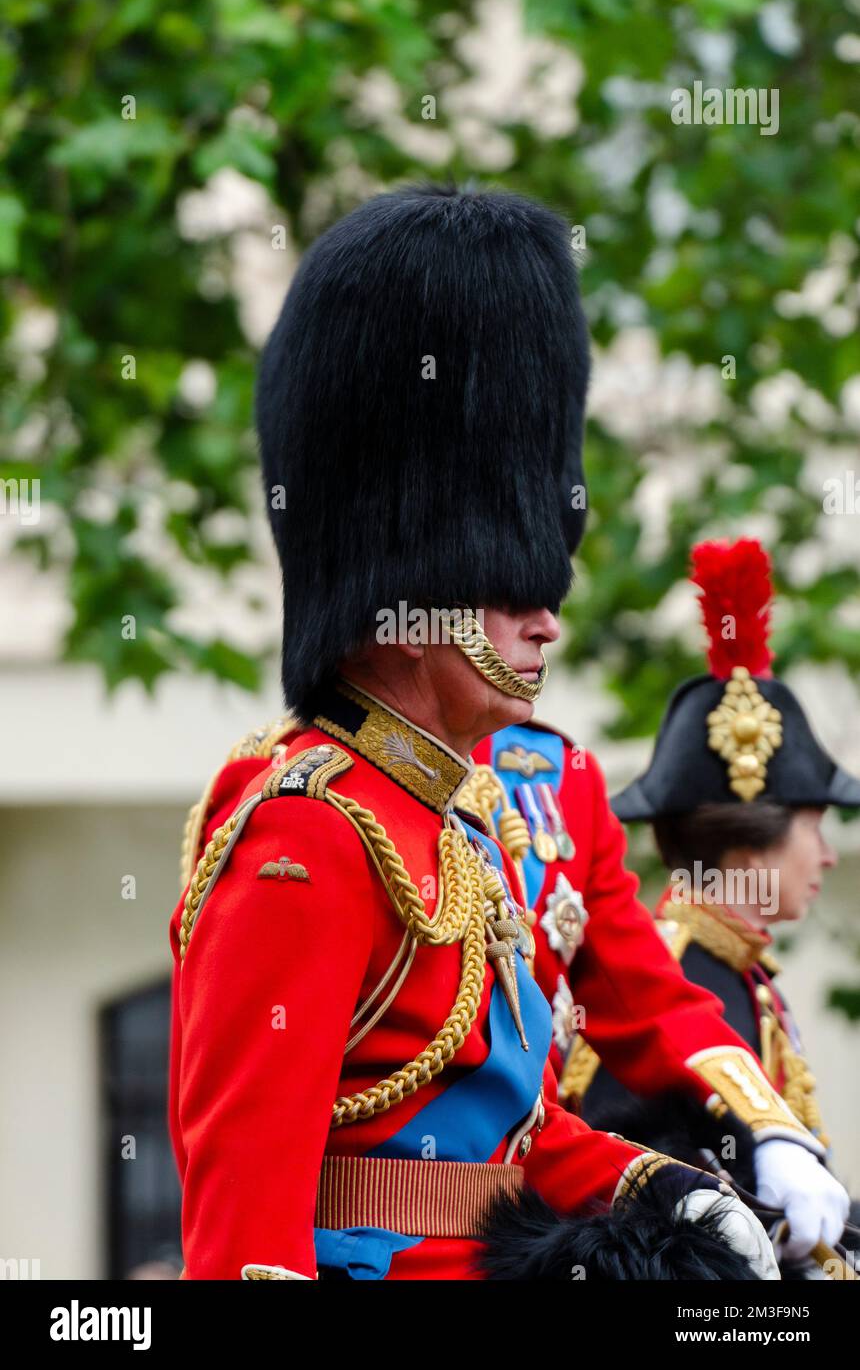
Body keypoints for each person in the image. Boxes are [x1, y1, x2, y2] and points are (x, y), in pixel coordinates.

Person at [167, 184, 776, 1281]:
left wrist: (677, 1189)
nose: (545, 616)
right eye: (507, 587)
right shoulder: (305, 837)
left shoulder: (456, 829)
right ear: (406, 595)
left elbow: (525, 1136)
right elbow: (241, 1215)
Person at [571, 536, 860, 1262]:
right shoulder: (672, 974)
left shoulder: (739, 975)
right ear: (751, 839)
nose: (826, 853)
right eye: (814, 825)